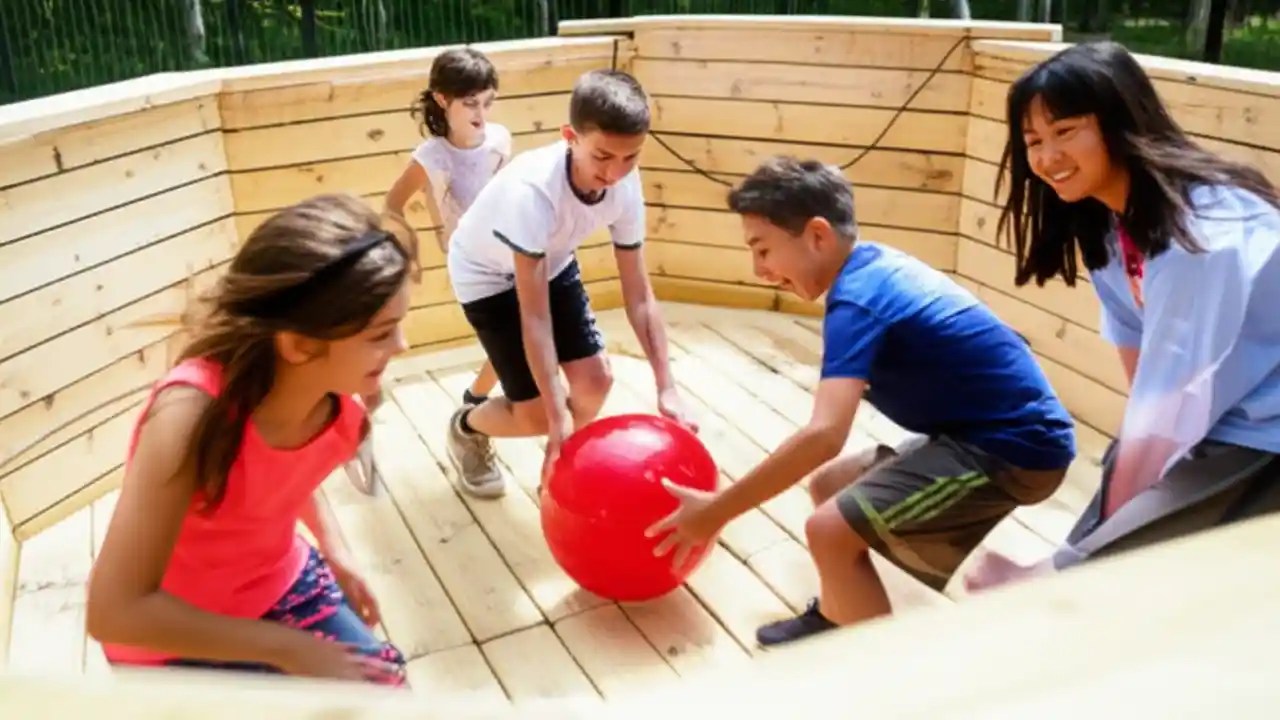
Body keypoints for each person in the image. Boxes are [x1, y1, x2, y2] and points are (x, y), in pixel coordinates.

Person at [644, 156, 1077, 646]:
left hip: (1015, 450)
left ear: (818, 235)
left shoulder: (859, 299)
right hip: (977, 433)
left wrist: (717, 510)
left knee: (828, 530)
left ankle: (873, 674)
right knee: (830, 487)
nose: (758, 270)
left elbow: (824, 434)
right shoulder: (870, 268)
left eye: (763, 250)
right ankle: (839, 613)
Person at [964, 41, 1280, 590]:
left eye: (1065, 132)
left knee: (1096, 570)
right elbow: (1148, 392)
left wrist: (1065, 562)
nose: (1046, 158)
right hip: (1227, 417)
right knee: (1115, 511)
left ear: (1121, 120)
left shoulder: (1200, 240)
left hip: (1263, 433)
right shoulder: (1115, 233)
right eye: (1033, 141)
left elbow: (1174, 405)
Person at [86, 193, 413, 684]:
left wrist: (335, 550)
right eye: (380, 334)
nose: (402, 347)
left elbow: (284, 478)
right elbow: (114, 612)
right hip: (164, 638)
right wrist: (287, 649)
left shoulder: (340, 411)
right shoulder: (189, 417)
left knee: (387, 690)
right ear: (301, 343)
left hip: (278, 585)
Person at [442, 68, 697, 499]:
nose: (615, 172)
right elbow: (535, 316)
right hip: (484, 275)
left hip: (551, 259)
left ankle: (566, 465)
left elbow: (638, 293)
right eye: (602, 157)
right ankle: (465, 425)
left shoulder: (625, 184)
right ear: (570, 136)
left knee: (596, 383)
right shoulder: (534, 193)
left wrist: (666, 385)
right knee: (541, 414)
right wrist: (557, 420)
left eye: (630, 156)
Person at [343, 48, 512, 495]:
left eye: (487, 102)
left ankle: (473, 414)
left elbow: (513, 193)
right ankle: (472, 421)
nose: (481, 113)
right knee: (512, 339)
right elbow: (393, 205)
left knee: (524, 339)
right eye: (470, 103)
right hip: (470, 261)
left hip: (513, 254)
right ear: (442, 100)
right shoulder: (432, 155)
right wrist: (423, 241)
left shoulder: (499, 141)